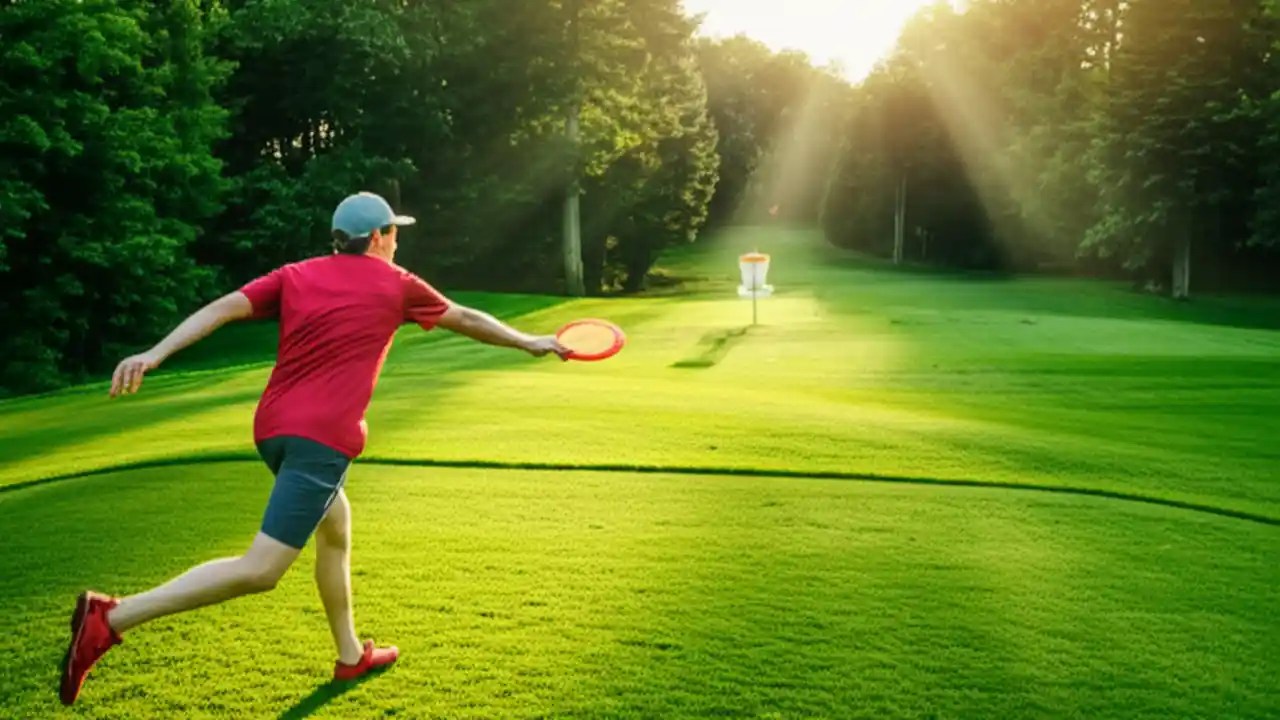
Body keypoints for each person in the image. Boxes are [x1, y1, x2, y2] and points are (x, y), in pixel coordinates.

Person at [60, 192, 569, 705]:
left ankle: (351, 656)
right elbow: (467, 318)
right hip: (321, 441)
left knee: (336, 528)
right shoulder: (397, 283)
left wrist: (154, 353)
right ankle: (112, 617)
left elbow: (220, 309)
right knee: (261, 570)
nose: (396, 242)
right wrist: (530, 341)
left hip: (274, 431)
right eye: (394, 233)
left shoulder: (295, 274)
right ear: (376, 238)